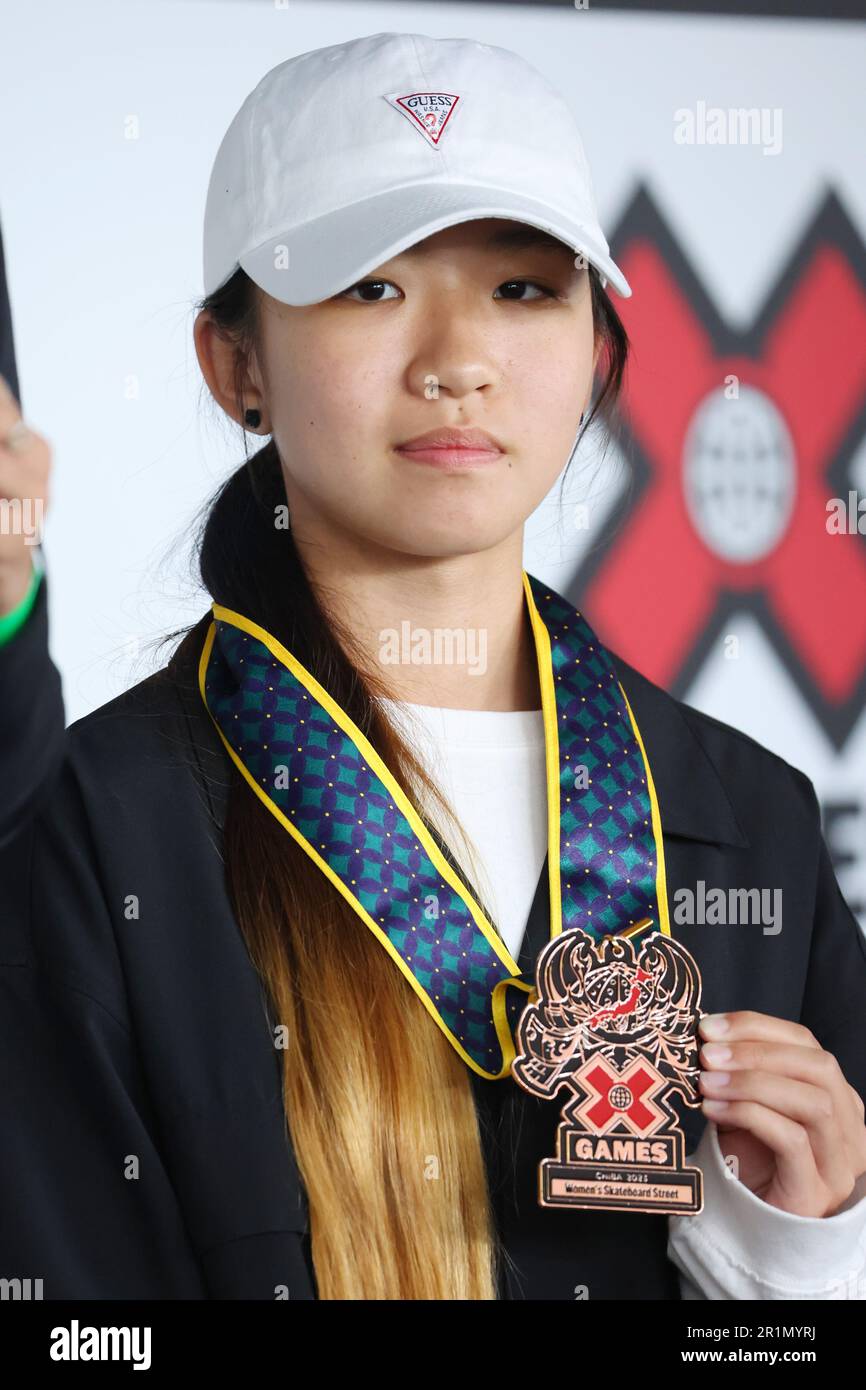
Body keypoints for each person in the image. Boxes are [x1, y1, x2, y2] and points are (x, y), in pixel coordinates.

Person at [0, 31, 864, 1302]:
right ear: (234, 364)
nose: (457, 360)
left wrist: (799, 1256)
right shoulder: (92, 826)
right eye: (370, 286)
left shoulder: (751, 819)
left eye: (522, 289)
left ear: (596, 356)